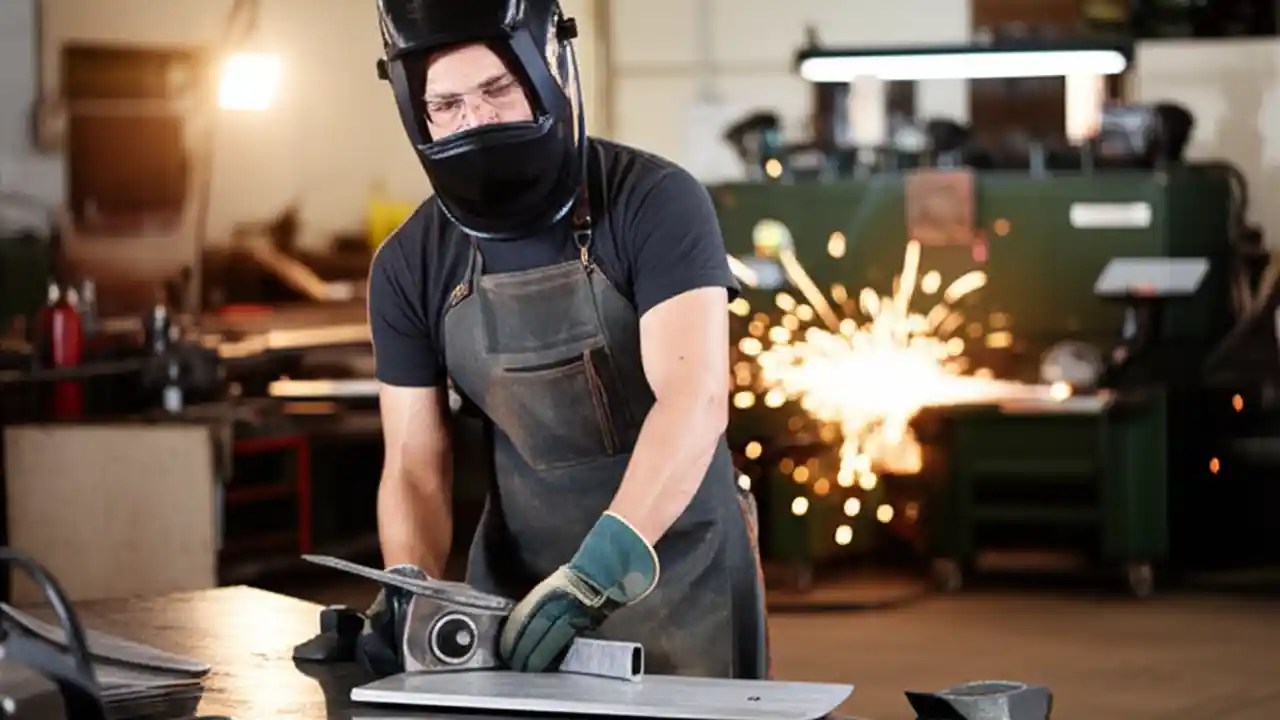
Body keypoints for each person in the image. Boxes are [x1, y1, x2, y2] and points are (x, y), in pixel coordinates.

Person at [361, 0, 769, 680]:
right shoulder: (409, 263)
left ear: (548, 72)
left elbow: (694, 400)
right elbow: (412, 463)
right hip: (514, 595)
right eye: (447, 105)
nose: (475, 120)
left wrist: (597, 575)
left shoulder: (656, 202)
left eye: (498, 89)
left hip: (680, 578)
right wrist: (410, 589)